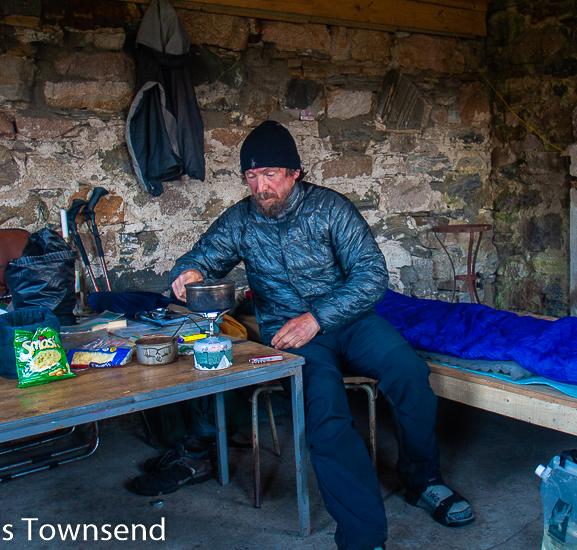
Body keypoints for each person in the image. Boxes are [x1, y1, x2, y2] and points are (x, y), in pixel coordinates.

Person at [168, 120, 473, 550]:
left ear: (295, 173)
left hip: (350, 321)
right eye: (251, 176)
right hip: (293, 334)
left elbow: (370, 277)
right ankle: (364, 537)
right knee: (325, 414)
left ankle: (422, 480)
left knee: (410, 375)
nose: (260, 187)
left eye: (270, 174)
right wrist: (188, 271)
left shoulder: (331, 209)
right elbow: (200, 256)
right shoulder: (240, 220)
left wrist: (317, 316)